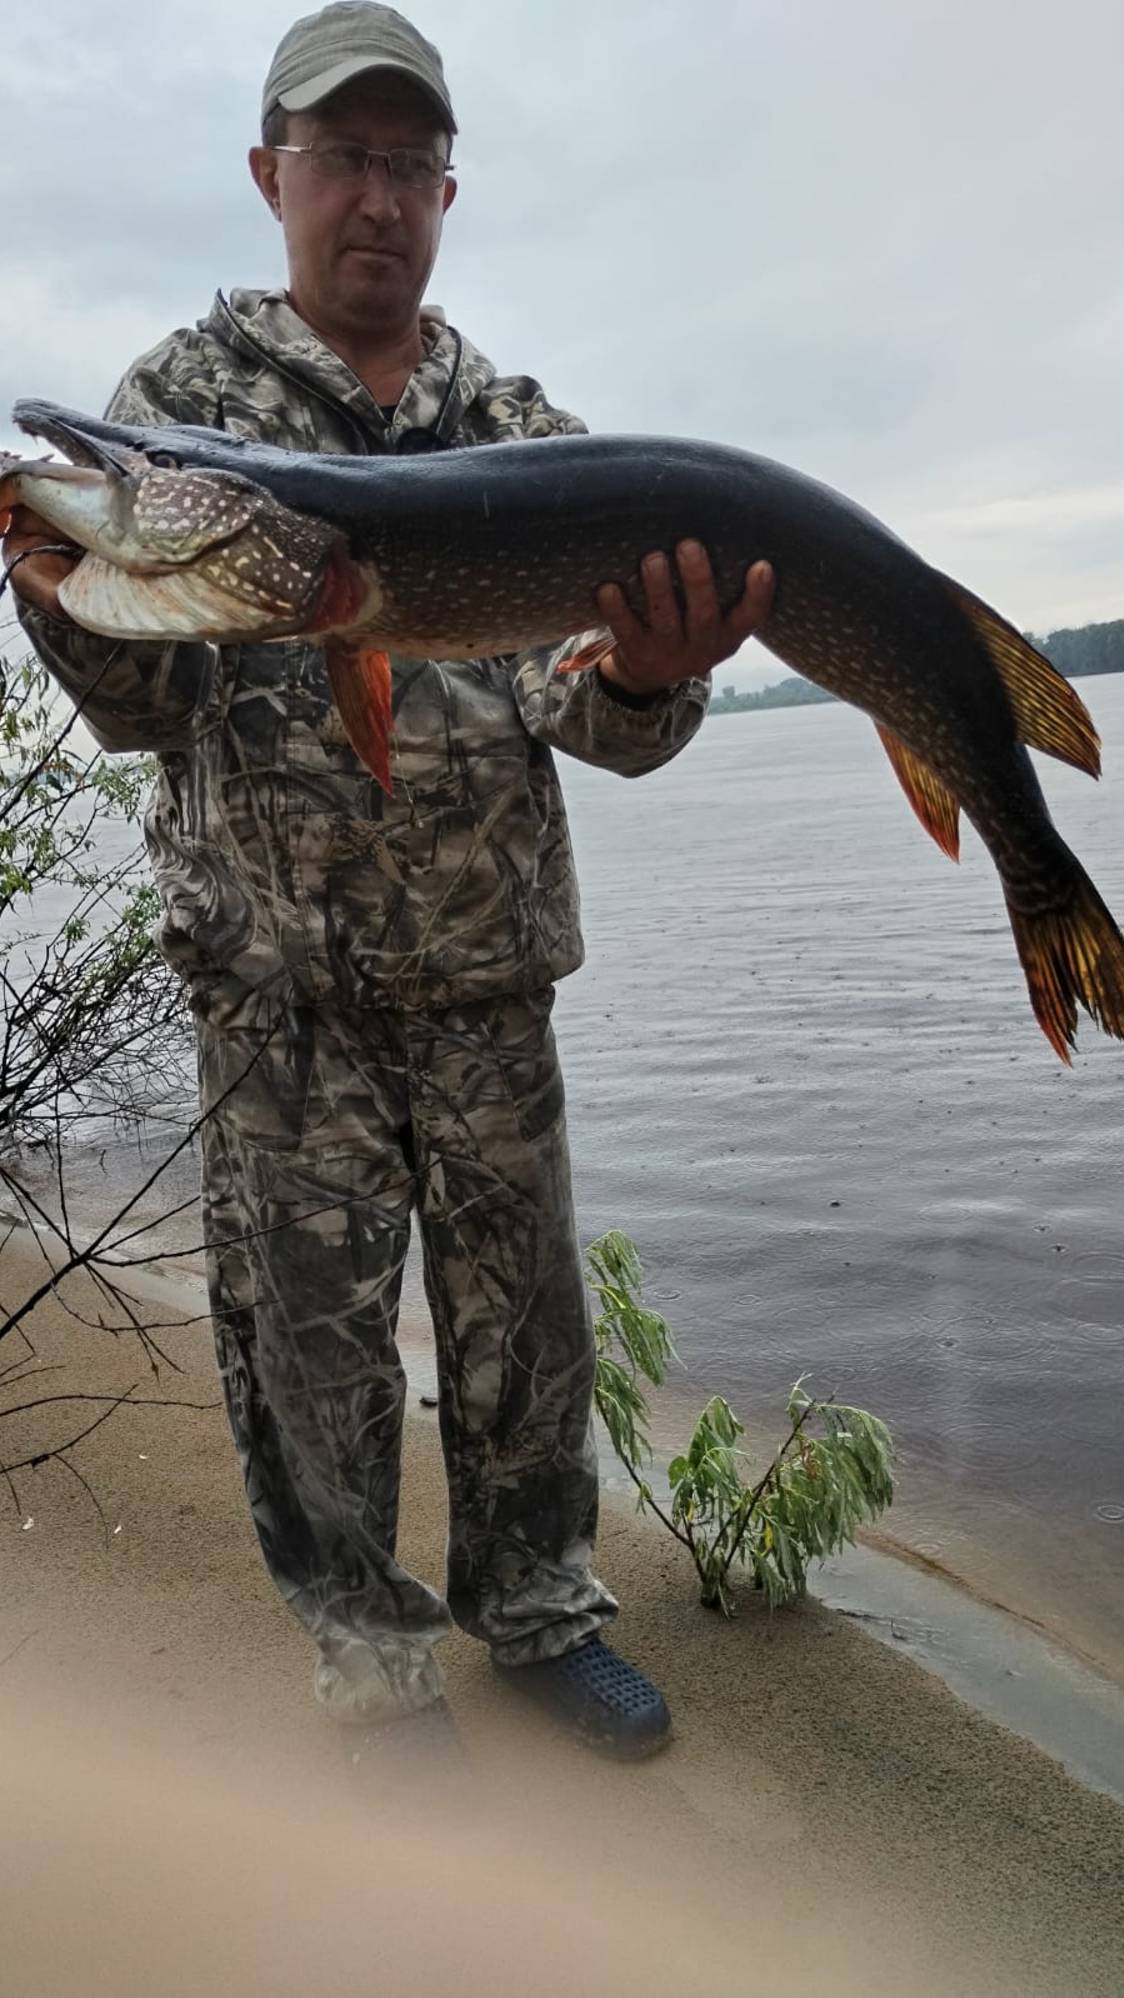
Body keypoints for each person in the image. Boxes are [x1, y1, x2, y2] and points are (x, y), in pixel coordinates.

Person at [5, 2, 774, 1760]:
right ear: (271, 176)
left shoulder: (513, 423)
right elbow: (138, 706)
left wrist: (653, 675)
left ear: (448, 191)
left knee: (524, 1330)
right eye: (341, 157)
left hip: (488, 972)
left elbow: (606, 717)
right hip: (279, 989)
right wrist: (65, 597)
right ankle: (373, 1663)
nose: (375, 195)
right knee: (316, 1354)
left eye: (407, 163)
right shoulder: (175, 415)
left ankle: (539, 1614)